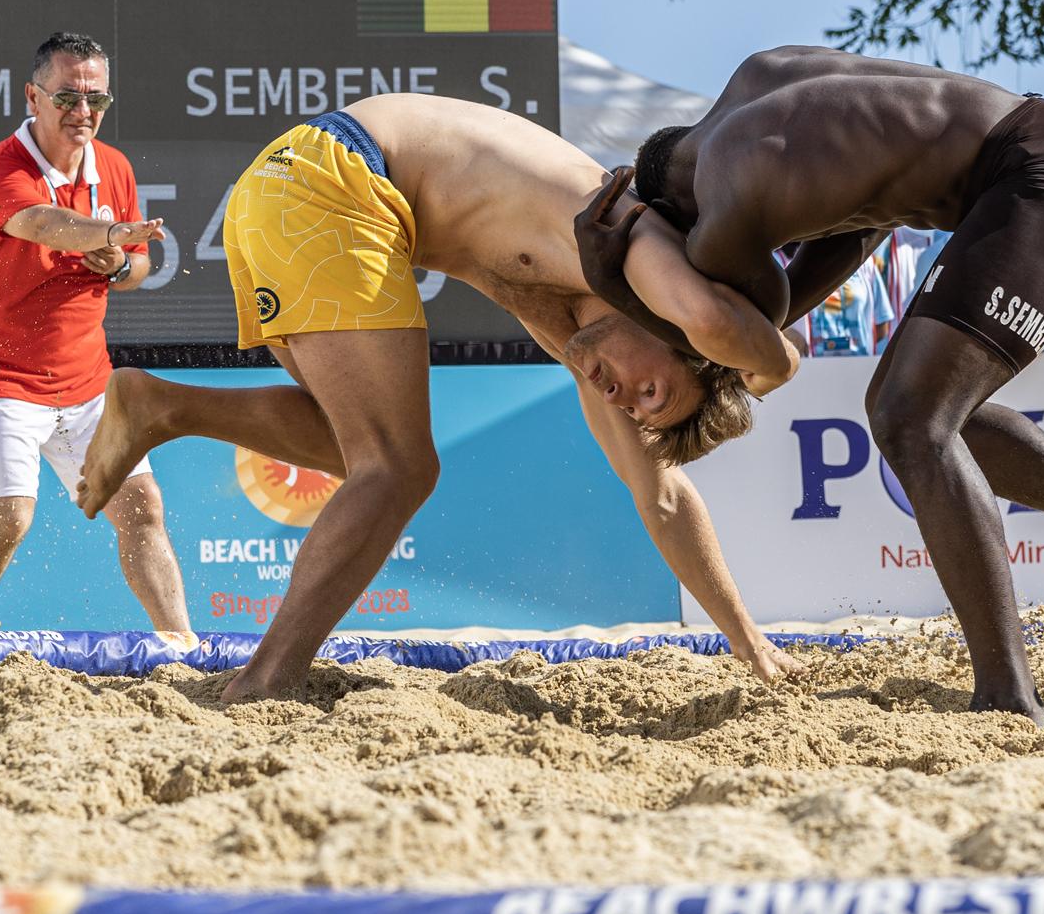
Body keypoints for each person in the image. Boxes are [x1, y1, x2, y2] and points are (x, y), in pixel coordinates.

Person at [74, 93, 802, 704]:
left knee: (362, 454)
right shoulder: (630, 246)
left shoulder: (596, 345)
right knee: (400, 469)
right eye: (651, 390)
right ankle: (268, 677)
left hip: (290, 192)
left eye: (643, 409)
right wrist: (778, 363)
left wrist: (747, 643)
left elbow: (664, 498)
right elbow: (715, 321)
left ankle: (161, 406)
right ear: (679, 339)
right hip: (336, 184)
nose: (627, 400)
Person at [580, 46, 1044, 727]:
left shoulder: (720, 218)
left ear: (673, 224)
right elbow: (863, 228)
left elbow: (744, 331)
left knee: (911, 419)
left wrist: (611, 276)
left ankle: (1009, 694)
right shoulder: (758, 81)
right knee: (926, 410)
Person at [0, 31, 193, 642]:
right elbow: (42, 224)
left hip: (85, 379)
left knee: (142, 508)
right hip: (0, 373)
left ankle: (184, 649)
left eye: (97, 100)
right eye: (68, 98)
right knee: (8, 519)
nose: (84, 112)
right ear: (32, 97)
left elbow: (136, 268)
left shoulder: (115, 167)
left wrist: (119, 261)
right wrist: (108, 236)